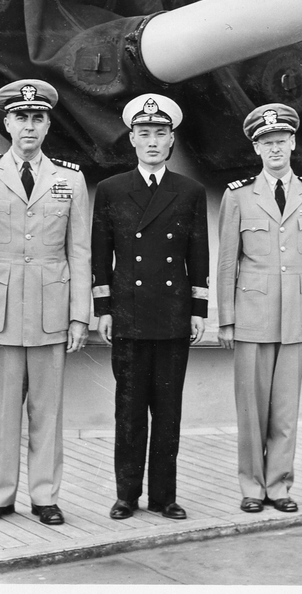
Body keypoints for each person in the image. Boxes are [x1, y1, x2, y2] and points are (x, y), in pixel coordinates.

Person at [0, 79, 91, 526]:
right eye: (21, 118)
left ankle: (45, 496)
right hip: (3, 309)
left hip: (53, 310)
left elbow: (80, 251)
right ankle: (0, 494)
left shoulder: (70, 179)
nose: (29, 126)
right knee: (4, 407)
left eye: (38, 118)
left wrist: (79, 316)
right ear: (7, 123)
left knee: (47, 410)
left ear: (48, 125)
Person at [91, 94, 209, 521]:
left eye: (160, 134)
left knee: (168, 411)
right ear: (133, 140)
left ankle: (164, 496)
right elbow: (100, 253)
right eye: (144, 134)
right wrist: (103, 308)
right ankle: (126, 494)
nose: (153, 141)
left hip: (173, 313)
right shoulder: (111, 189)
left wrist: (198, 309)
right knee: (128, 410)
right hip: (129, 313)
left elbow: (198, 253)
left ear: (172, 139)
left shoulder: (189, 191)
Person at [217, 103, 302, 514]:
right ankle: (251, 486)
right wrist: (226, 319)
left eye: (281, 141)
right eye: (267, 143)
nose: (275, 149)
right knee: (251, 409)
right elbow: (228, 261)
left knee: (286, 409)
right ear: (256, 149)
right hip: (251, 315)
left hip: (297, 317)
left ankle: (280, 485)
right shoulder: (239, 196)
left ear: (294, 143)